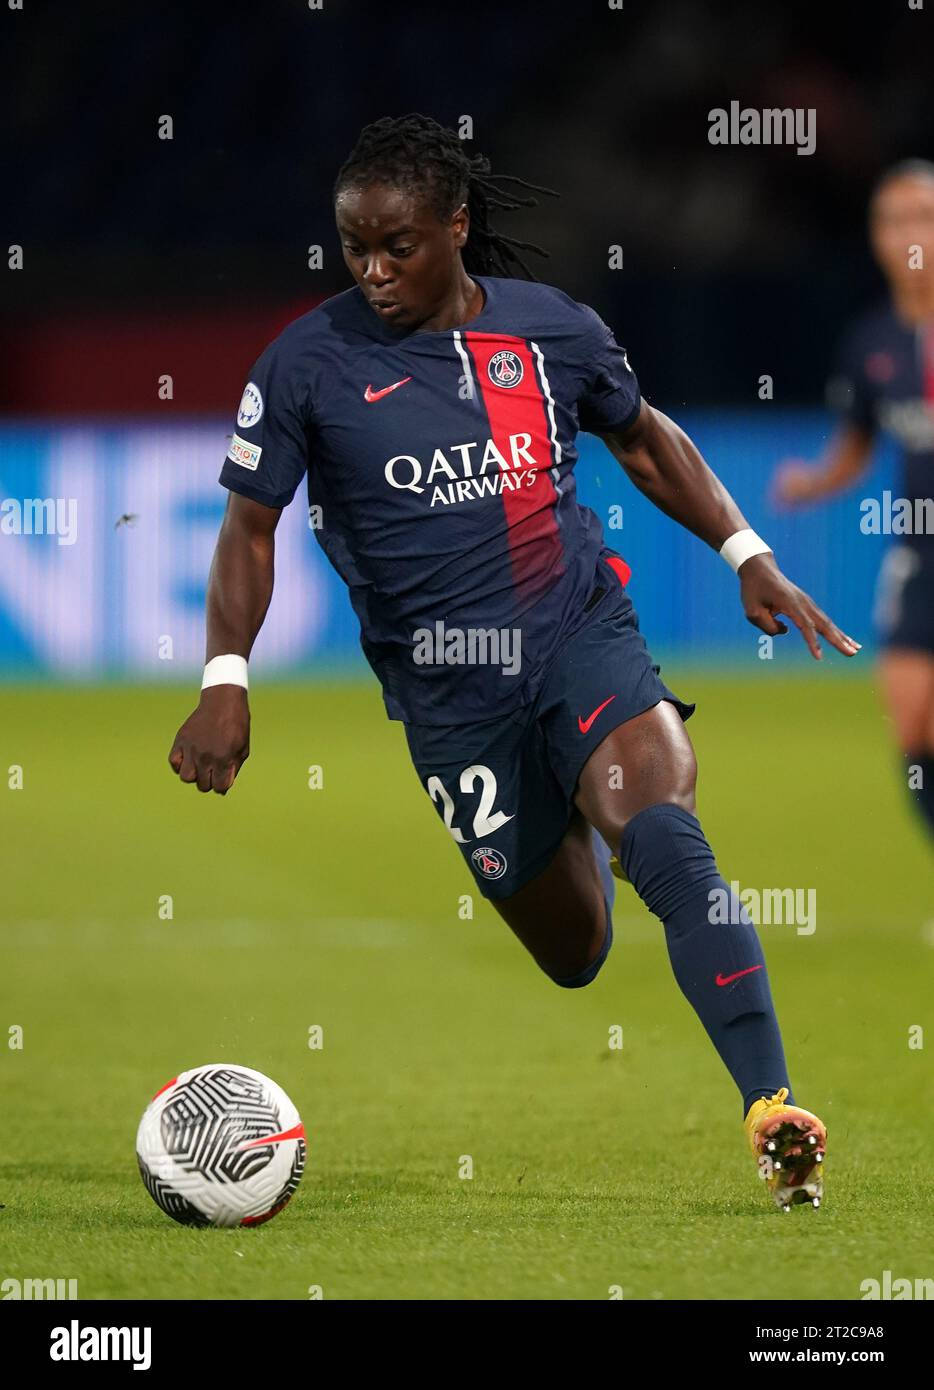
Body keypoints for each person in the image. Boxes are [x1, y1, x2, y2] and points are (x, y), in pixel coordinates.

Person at [169, 114, 856, 1209]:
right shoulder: (306, 362)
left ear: (456, 224)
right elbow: (249, 528)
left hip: (581, 632)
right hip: (451, 702)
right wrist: (223, 681)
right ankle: (584, 814)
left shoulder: (553, 329)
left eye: (397, 245)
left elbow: (643, 436)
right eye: (354, 247)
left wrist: (746, 551)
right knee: (576, 950)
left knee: (667, 831)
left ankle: (773, 1108)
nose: (375, 271)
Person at [774, 159, 934, 848]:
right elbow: (857, 443)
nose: (908, 233)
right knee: (908, 718)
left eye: (922, 217)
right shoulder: (872, 343)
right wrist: (813, 483)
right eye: (893, 219)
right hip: (918, 553)